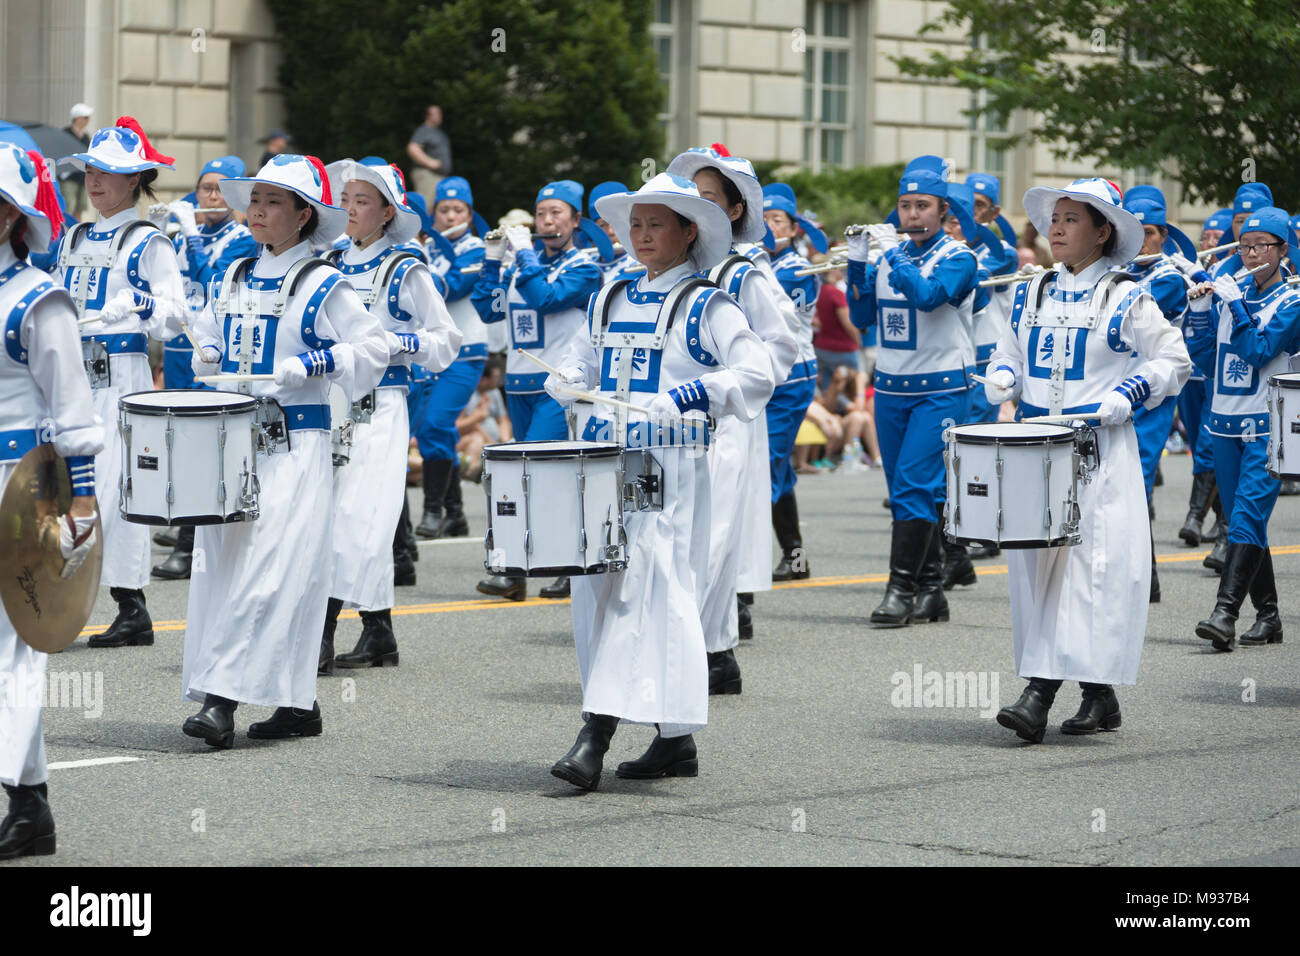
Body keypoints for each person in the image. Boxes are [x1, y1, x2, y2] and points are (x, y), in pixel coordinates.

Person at [543, 172, 774, 790]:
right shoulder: (610, 294)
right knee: (604, 594)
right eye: (635, 224)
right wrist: (566, 374)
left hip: (667, 475)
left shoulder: (709, 303)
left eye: (656, 224)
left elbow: (758, 372)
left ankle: (595, 733)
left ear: (688, 231)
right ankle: (676, 740)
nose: (641, 236)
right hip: (601, 464)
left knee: (639, 591)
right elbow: (584, 354)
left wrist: (698, 390)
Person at [179, 154, 387, 748]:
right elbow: (215, 341)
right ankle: (299, 703)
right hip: (234, 442)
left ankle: (222, 701)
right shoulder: (234, 273)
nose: (258, 211)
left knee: (269, 567)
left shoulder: (323, 280)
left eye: (274, 202)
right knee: (226, 566)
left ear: (303, 217)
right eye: (256, 200)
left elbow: (372, 348)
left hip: (296, 443)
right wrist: (209, 355)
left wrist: (316, 362)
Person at [983, 178, 1191, 742]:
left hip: (1096, 452)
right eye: (1055, 217)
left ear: (1103, 233)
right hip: (1035, 452)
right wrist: (1003, 374)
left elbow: (1173, 358)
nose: (1055, 227)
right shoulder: (1031, 291)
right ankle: (1100, 695)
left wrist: (1132, 393)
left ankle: (1038, 693)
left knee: (1081, 573)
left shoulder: (1128, 295)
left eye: (1072, 219)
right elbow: (1008, 350)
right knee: (1037, 574)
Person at [317, 158, 461, 673]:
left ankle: (323, 631)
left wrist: (400, 342)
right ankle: (379, 631)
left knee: (356, 515)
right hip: (329, 405)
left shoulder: (405, 267)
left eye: (362, 201)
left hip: (381, 406)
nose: (350, 209)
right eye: (346, 199)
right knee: (338, 513)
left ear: (386, 213)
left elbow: (447, 341)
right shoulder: (327, 261)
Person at [0, 144, 103, 859]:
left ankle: (17, 796)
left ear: (9, 214)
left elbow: (74, 410)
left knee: (16, 646)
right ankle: (30, 806)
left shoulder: (40, 299)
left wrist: (85, 505)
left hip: (24, 485)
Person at [667, 144, 798, 688]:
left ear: (733, 211)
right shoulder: (674, 269)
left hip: (725, 424)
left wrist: (727, 386)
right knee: (689, 534)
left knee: (709, 535)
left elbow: (782, 346)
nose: (695, 208)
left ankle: (687, 655)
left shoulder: (743, 273)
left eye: (708, 199)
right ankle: (718, 655)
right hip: (671, 423)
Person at [54, 116, 187, 648]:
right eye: (91, 169)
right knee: (66, 487)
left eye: (108, 171)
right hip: (71, 374)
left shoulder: (146, 241)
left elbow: (177, 316)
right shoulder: (75, 235)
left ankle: (128, 605)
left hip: (121, 377)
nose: (95, 180)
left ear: (135, 179)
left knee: (113, 487)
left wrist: (142, 302)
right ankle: (79, 601)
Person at [846, 157, 979, 627]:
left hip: (941, 387)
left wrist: (892, 258)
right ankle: (931, 590)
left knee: (913, 486)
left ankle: (900, 590)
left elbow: (927, 296)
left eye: (923, 205)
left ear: (942, 210)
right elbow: (862, 320)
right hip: (891, 388)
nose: (912, 214)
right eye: (905, 206)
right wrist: (858, 264)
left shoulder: (961, 258)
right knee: (904, 489)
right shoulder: (890, 258)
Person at [471, 180, 601, 601]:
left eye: (556, 213)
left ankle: (565, 561)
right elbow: (488, 309)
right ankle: (515, 570)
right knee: (519, 475)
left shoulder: (585, 267)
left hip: (559, 386)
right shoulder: (520, 265)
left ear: (575, 220)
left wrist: (524, 252)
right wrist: (493, 260)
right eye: (541, 213)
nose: (546, 221)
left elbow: (547, 299)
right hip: (519, 382)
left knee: (545, 474)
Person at [1187, 206, 1300, 651]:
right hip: (1225, 422)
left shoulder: (1292, 299)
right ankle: (1269, 616)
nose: (1251, 254)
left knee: (1247, 518)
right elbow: (1203, 357)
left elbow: (1259, 350)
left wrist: (1232, 302)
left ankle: (1225, 612)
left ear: (1282, 249)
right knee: (1243, 522)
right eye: (1245, 246)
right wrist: (1199, 310)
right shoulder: (1232, 292)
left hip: (1266, 423)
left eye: (1261, 246)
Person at [151, 156, 260, 582]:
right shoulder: (181, 237)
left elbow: (211, 279)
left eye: (219, 189)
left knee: (203, 444)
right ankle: (185, 526)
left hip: (213, 352)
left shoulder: (241, 237)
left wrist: (192, 234)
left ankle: (190, 542)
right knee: (177, 440)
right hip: (180, 349)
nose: (209, 196)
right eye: (204, 188)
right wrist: (159, 235)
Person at [938, 180, 1017, 588]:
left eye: (962, 216)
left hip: (987, 362)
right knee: (950, 453)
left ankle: (973, 534)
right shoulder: (939, 253)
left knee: (973, 451)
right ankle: (956, 547)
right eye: (946, 218)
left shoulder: (994, 252)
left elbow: (1003, 257)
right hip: (953, 360)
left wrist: (973, 227)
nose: (951, 225)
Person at [415, 176, 490, 539]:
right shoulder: (424, 248)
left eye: (457, 210)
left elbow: (451, 287)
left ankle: (432, 512)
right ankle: (455, 513)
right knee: (432, 428)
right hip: (430, 352)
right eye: (443, 209)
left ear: (470, 213)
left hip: (465, 352)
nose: (449, 216)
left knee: (433, 424)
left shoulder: (477, 248)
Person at [762, 182, 826, 581]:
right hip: (759, 377)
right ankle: (795, 557)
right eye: (763, 219)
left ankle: (741, 573)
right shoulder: (753, 263)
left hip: (791, 378)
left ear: (793, 228)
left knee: (762, 466)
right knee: (778, 469)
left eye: (777, 220)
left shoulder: (798, 268)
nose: (768, 226)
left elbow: (769, 312)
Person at [1177, 210, 1236, 550]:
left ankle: (1197, 517)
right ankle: (1215, 519)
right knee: (1200, 445)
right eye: (1206, 237)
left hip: (1218, 372)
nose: (1210, 242)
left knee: (1209, 445)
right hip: (1190, 373)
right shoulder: (1184, 271)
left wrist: (1201, 274)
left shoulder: (1227, 273)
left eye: (1217, 237)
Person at [406, 105, 453, 205]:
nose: (440, 116)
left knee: (438, 208)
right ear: (428, 116)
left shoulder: (438, 132)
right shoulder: (424, 130)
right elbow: (412, 148)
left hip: (439, 176)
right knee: (427, 206)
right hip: (428, 175)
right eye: (437, 114)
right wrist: (430, 163)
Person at [58, 104, 93, 219]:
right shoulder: (65, 134)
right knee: (69, 205)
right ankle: (65, 231)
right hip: (68, 177)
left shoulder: (85, 137)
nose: (88, 120)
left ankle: (76, 231)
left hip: (82, 177)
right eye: (85, 117)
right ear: (77, 118)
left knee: (80, 208)